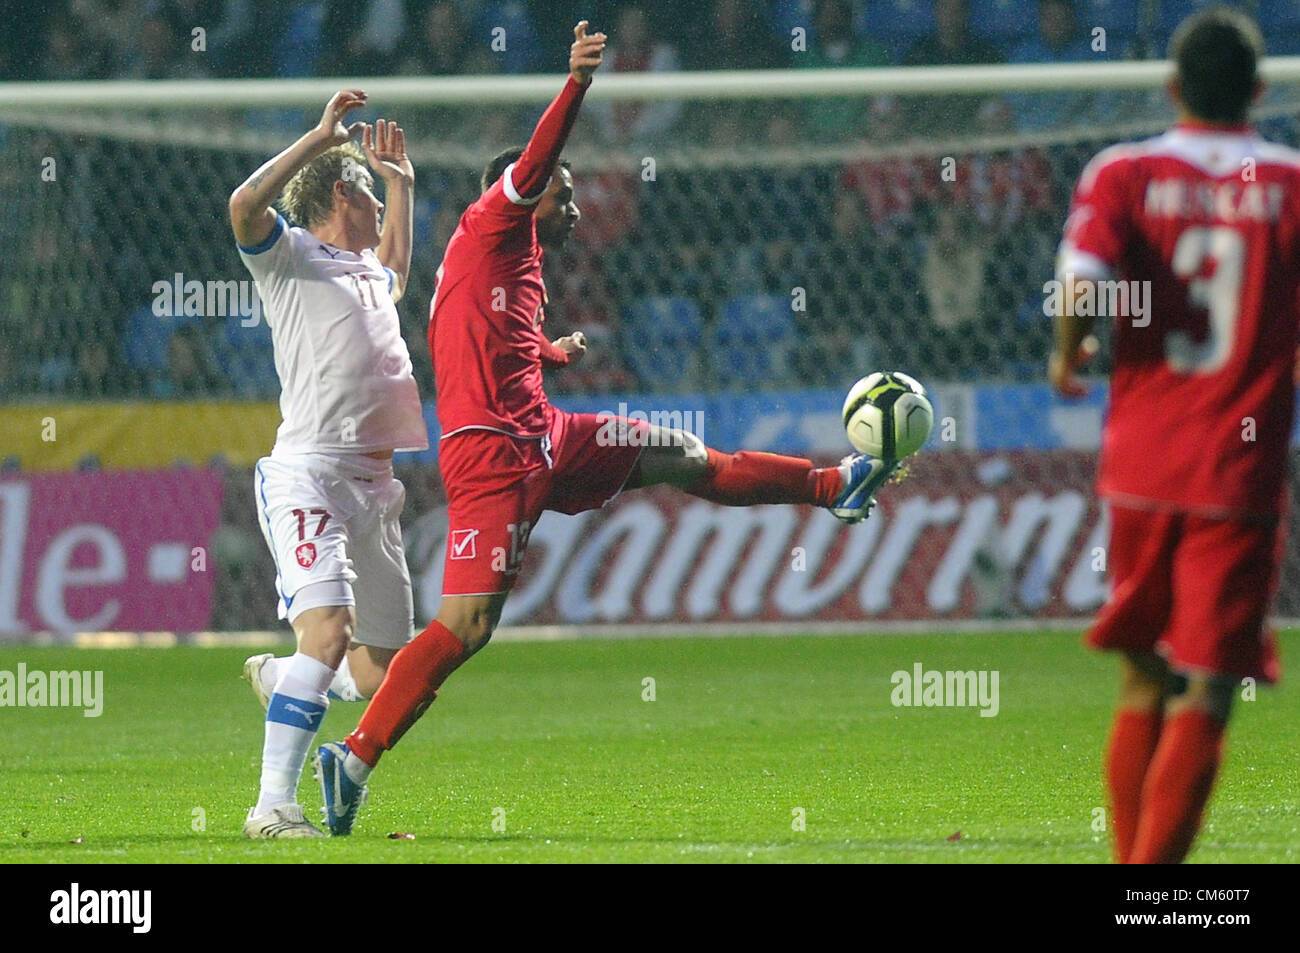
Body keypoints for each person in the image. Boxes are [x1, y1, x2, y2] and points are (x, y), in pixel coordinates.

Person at [314, 22, 897, 836]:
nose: (577, 203)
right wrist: (578, 83)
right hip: (495, 454)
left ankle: (832, 485)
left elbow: (482, 333)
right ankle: (354, 755)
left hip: (548, 434)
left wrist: (550, 349)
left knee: (687, 454)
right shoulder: (494, 216)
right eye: (564, 190)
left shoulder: (500, 258)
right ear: (525, 189)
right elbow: (536, 163)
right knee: (467, 626)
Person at [1050, 7, 1294, 864]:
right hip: (1237, 472)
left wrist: (1067, 356)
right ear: (1261, 91)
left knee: (1143, 671)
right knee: (1209, 689)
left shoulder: (1122, 171)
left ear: (1171, 86)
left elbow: (1082, 277)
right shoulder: (1293, 184)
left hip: (1141, 463)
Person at [229, 90, 427, 837]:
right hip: (310, 472)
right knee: (329, 629)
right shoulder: (290, 257)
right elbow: (244, 205)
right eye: (372, 193)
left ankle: (292, 679)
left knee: (382, 672)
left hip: (376, 490)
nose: (378, 207)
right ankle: (271, 806)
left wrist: (402, 181)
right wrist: (317, 140)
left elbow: (397, 265)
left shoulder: (368, 271)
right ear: (343, 193)